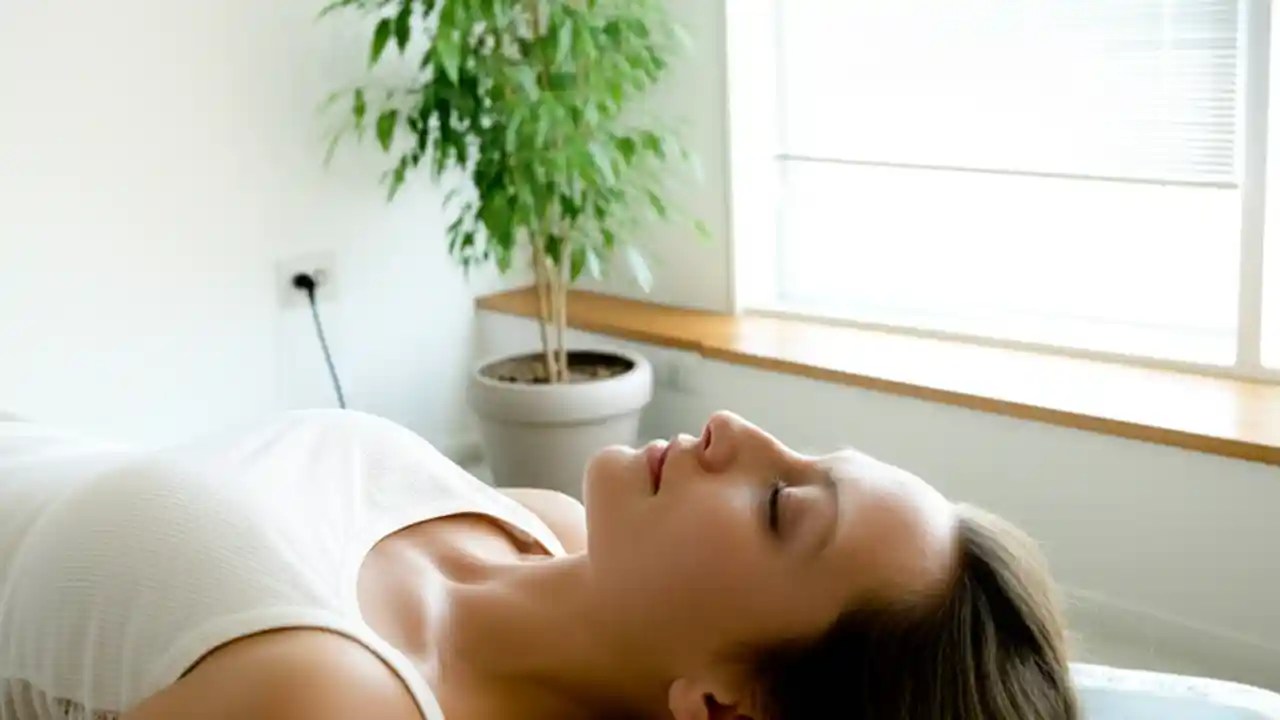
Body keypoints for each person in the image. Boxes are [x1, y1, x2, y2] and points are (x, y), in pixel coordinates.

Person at [0, 408, 1077, 720]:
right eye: (804, 449)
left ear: (721, 706)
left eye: (780, 505)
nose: (729, 429)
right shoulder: (544, 526)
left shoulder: (336, 700)